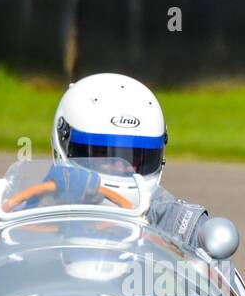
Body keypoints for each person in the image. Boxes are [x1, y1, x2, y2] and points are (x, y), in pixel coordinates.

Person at [49, 73, 210, 250]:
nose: (120, 166)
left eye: (134, 157)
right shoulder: (33, 213)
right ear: (63, 142)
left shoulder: (186, 230)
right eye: (103, 155)